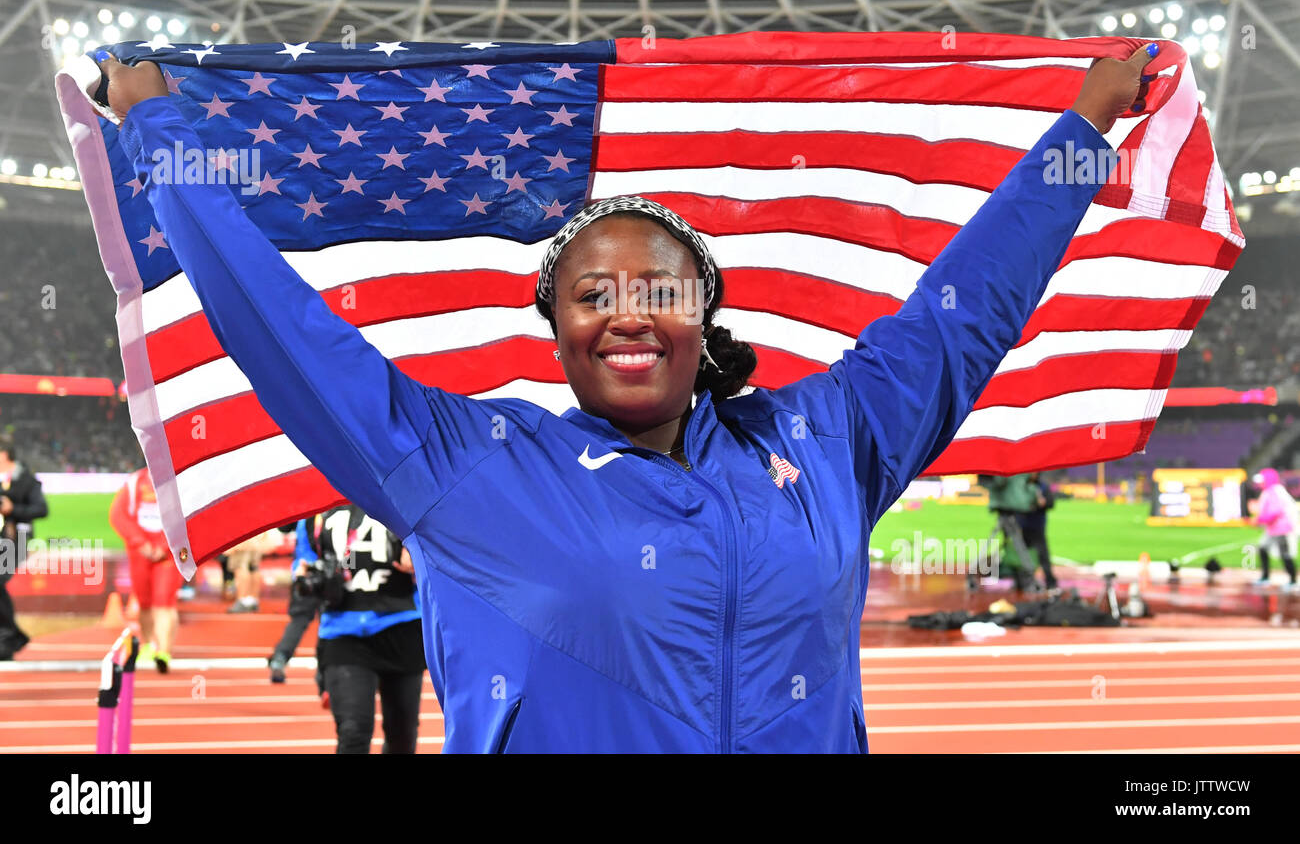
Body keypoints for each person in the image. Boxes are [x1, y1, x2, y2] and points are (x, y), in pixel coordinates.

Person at [96, 41, 1157, 752]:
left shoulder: (829, 440)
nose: (627, 313)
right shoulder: (466, 466)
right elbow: (272, 315)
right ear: (556, 329)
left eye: (660, 288)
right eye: (590, 294)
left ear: (706, 315)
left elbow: (961, 313)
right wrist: (156, 129)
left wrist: (1086, 129)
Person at [295, 505, 424, 753]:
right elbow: (302, 563)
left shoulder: (402, 498)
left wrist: (420, 562)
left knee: (402, 737)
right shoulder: (316, 511)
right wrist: (306, 576)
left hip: (402, 629)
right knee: (353, 733)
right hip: (344, 633)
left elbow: (440, 553)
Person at [108, 466, 183, 671]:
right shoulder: (135, 483)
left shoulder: (179, 482)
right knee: (145, 603)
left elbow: (186, 517)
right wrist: (141, 543)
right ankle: (150, 644)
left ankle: (164, 652)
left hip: (168, 553)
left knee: (164, 602)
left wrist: (163, 545)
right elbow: (118, 515)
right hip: (140, 553)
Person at [0, 434, 48, 659]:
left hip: (16, 541)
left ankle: (9, 637)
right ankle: (11, 636)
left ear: (3, 454)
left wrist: (13, 509)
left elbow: (41, 509)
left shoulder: (26, 480)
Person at [268, 521, 324, 684]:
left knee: (299, 620)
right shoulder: (332, 510)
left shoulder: (303, 507)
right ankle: (324, 671)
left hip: (301, 573)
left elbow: (283, 526)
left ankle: (280, 657)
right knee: (328, 621)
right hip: (322, 574)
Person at [981, 473, 1041, 592]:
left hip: (1008, 513)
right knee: (1015, 543)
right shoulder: (1016, 479)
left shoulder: (1019, 480)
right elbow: (1000, 481)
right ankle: (1026, 575)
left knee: (1013, 543)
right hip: (1008, 513)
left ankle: (1020, 573)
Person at [1249, 468, 1298, 589]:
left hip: (1282, 529)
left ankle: (1293, 581)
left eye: (1262, 480)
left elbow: (1276, 511)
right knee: (1263, 549)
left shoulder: (1275, 491)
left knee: (1285, 554)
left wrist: (1259, 520)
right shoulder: (1269, 492)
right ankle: (1265, 577)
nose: (1260, 483)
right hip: (1273, 529)